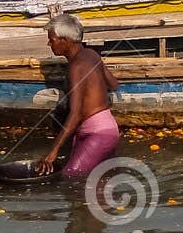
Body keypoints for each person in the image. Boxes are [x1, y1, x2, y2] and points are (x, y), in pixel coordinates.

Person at [34, 14, 120, 179]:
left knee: (71, 178)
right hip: (106, 128)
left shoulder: (76, 66)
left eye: (52, 40)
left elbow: (76, 113)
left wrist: (54, 151)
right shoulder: (91, 54)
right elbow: (113, 84)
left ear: (64, 40)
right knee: (99, 181)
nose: (49, 44)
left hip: (98, 134)